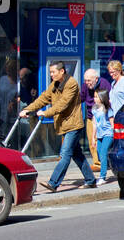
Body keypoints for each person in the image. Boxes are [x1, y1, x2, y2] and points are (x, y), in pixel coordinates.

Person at [21, 61, 95, 192]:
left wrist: (45, 113)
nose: (51, 75)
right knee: (77, 155)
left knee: (65, 153)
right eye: (50, 72)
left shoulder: (71, 84)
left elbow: (62, 104)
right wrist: (27, 109)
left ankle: (53, 183)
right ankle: (90, 180)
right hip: (63, 125)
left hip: (73, 125)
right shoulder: (54, 84)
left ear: (62, 71)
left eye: (53, 72)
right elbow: (43, 98)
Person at [80, 68, 106, 173]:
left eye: (89, 80)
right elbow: (80, 98)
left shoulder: (104, 84)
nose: (87, 83)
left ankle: (103, 161)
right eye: (85, 80)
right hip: (91, 116)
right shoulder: (85, 86)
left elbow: (108, 100)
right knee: (92, 140)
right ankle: (97, 163)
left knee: (102, 140)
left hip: (103, 116)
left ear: (96, 79)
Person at [92, 89, 114, 187]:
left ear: (102, 98)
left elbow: (112, 124)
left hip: (108, 134)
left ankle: (102, 177)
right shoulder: (94, 109)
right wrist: (93, 137)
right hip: (100, 135)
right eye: (94, 96)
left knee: (103, 152)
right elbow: (94, 124)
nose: (95, 99)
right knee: (100, 154)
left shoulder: (108, 109)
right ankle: (110, 164)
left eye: (97, 97)